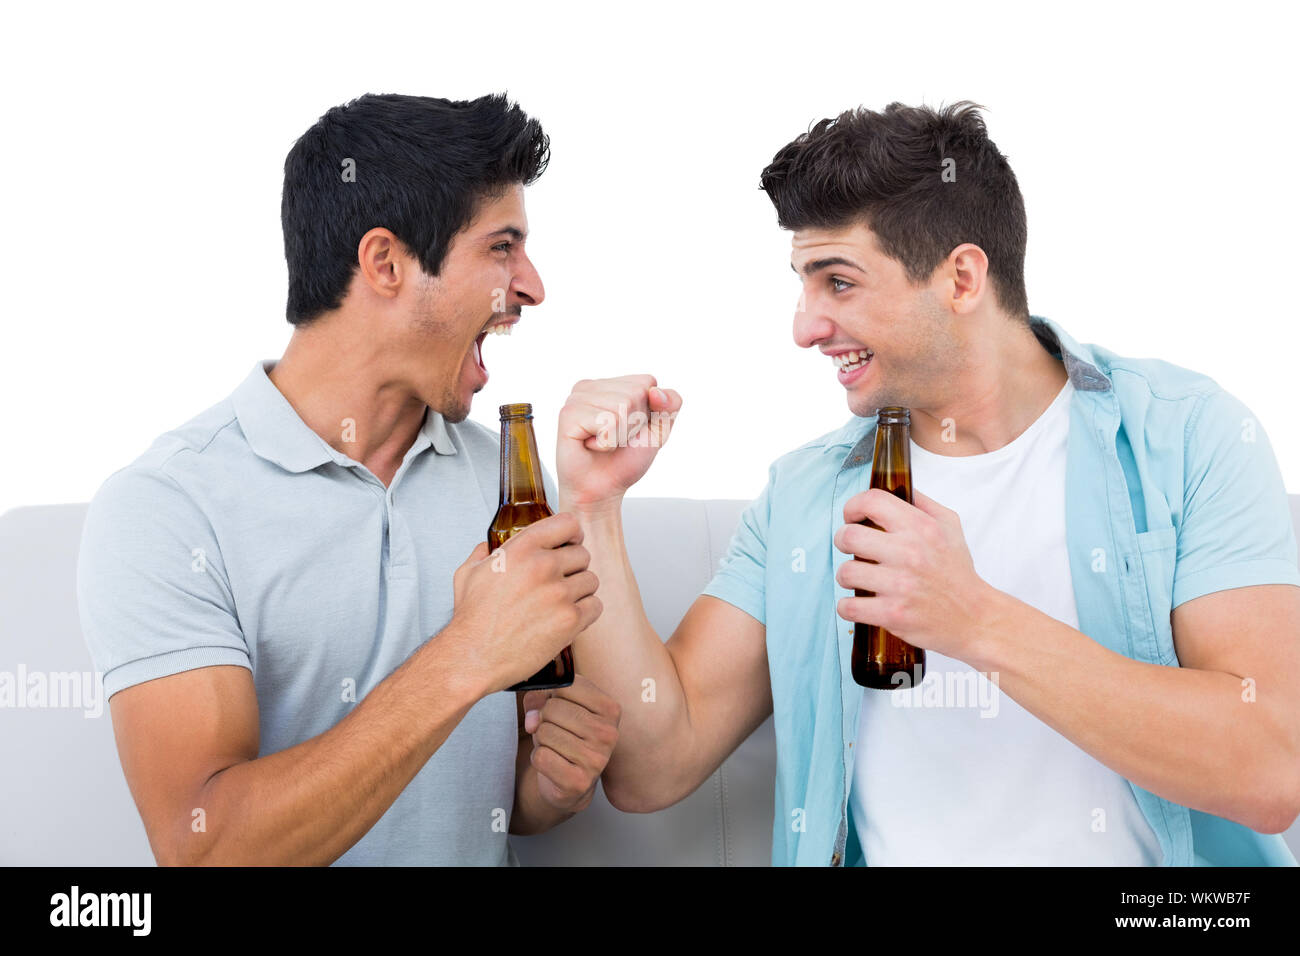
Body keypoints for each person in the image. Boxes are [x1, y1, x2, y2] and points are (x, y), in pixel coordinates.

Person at [557, 101, 1300, 865]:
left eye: (838, 282)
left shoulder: (1187, 437)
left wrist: (975, 621)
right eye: (803, 284)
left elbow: (1270, 767)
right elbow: (655, 763)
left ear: (963, 278)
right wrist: (592, 506)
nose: (804, 326)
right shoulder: (806, 496)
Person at [77, 93, 619, 866]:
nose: (532, 286)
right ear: (386, 263)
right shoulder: (167, 509)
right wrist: (465, 654)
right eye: (502, 247)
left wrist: (546, 785)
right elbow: (205, 845)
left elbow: (490, 797)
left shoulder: (502, 489)